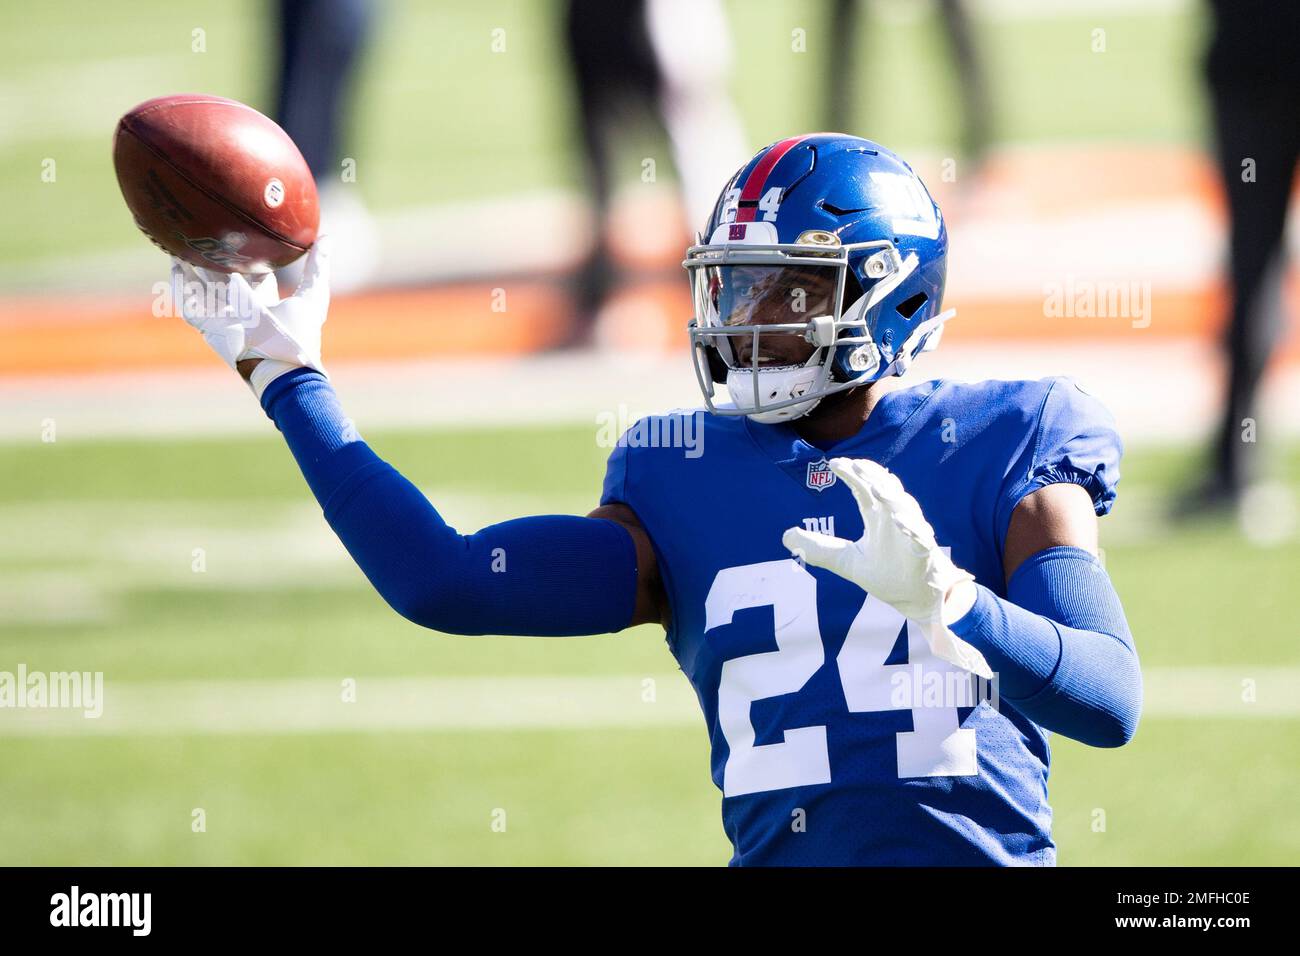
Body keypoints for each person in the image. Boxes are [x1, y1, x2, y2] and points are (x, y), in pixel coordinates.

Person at [170, 134, 1141, 866]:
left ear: (893, 300)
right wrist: (287, 375)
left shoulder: (1010, 433)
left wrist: (954, 604)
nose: (743, 323)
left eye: (784, 294)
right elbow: (446, 580)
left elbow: (1107, 698)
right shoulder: (679, 472)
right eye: (733, 290)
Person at [1180, 0, 1300, 516]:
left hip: (1250, 62)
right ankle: (1234, 462)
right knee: (1251, 266)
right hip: (1250, 61)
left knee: (1252, 264)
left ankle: (1234, 465)